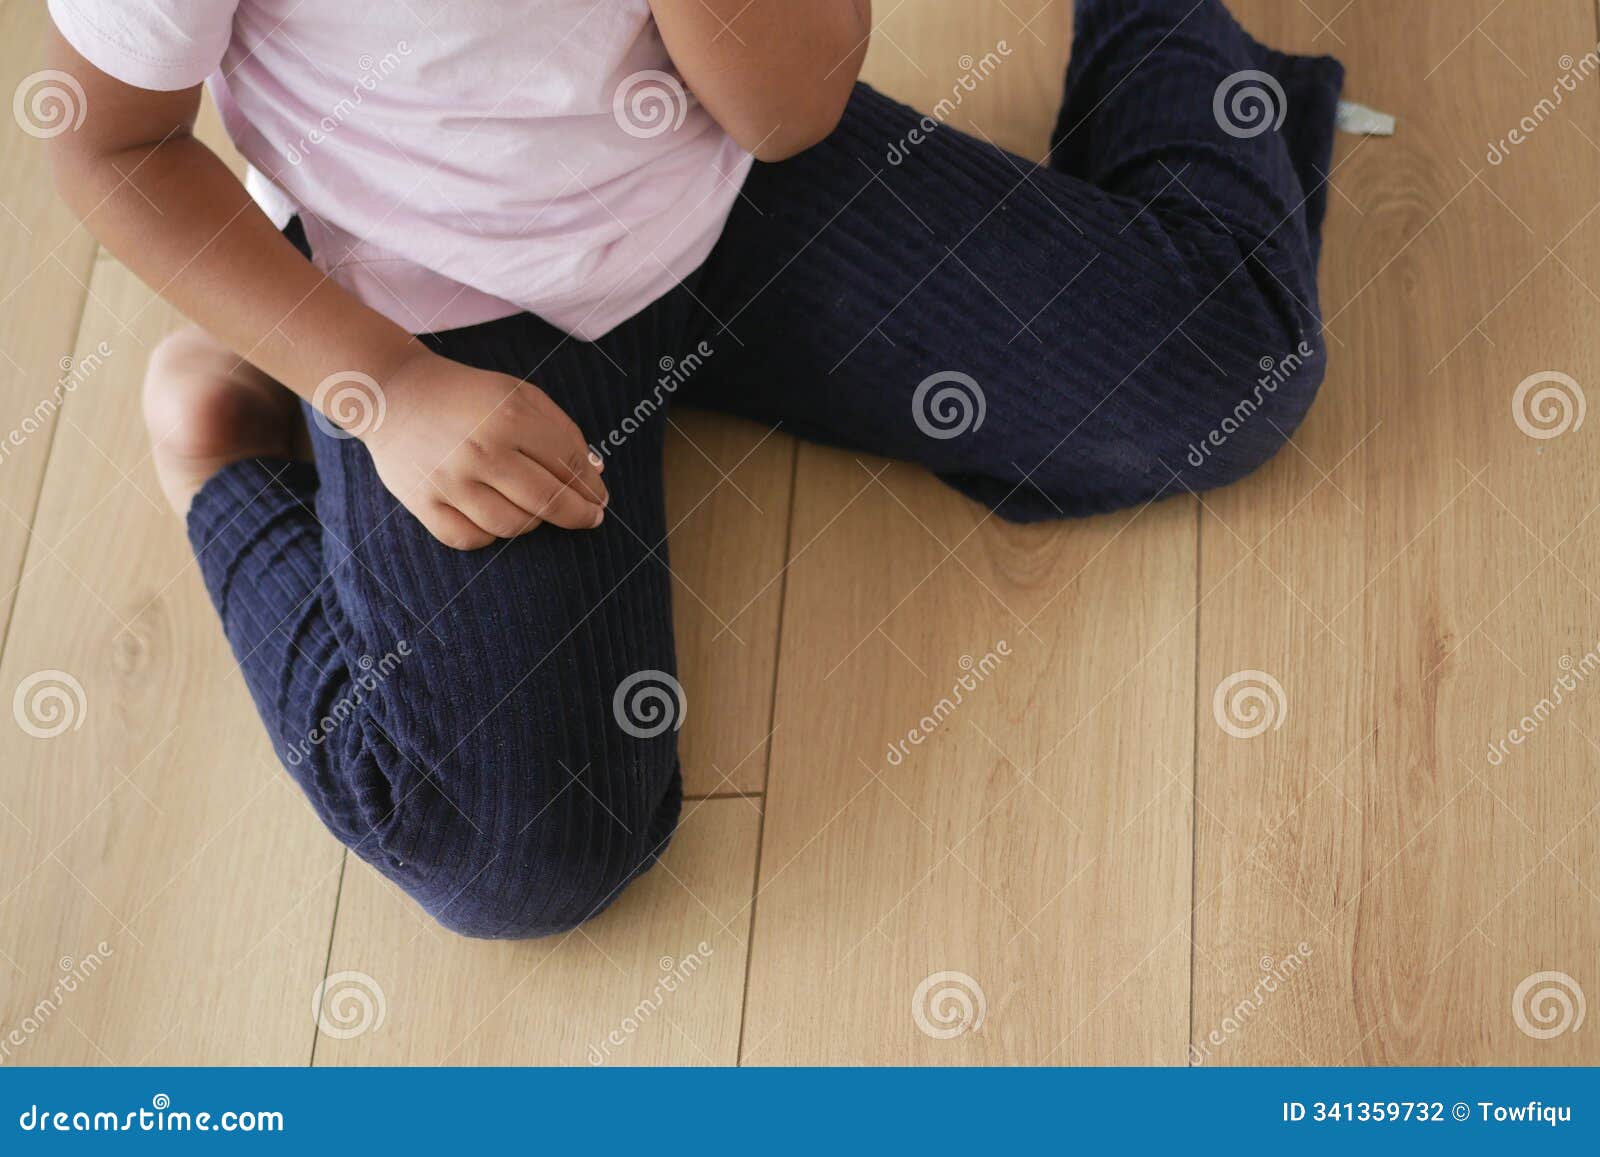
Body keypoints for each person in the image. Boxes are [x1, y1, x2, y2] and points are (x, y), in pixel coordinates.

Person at [43, 0, 1342, 938]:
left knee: (1224, 368)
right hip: (433, 321)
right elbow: (111, 145)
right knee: (518, 854)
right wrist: (374, 384)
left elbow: (790, 111)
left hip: (721, 182)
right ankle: (223, 447)